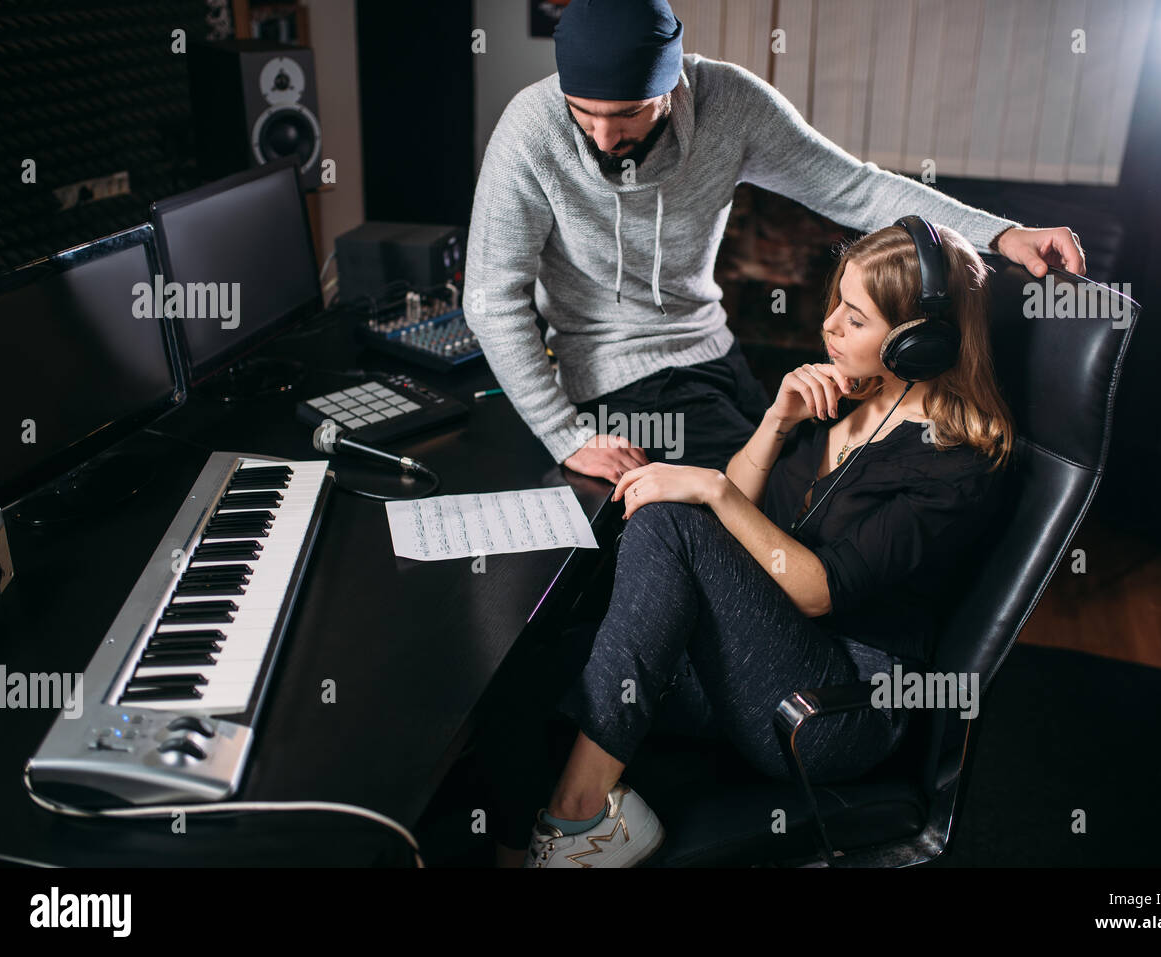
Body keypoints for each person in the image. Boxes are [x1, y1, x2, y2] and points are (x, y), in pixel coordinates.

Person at [520, 220, 1014, 867]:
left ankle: (582, 815)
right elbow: (749, 520)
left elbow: (815, 589)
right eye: (836, 301)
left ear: (919, 342)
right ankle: (528, 844)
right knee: (542, 663)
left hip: (835, 710)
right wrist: (777, 421)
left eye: (855, 317)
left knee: (672, 519)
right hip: (774, 656)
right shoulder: (844, 400)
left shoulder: (955, 464)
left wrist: (709, 489)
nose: (831, 325)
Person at [462, 0, 1083, 482]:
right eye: (583, 112)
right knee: (761, 506)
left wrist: (1001, 235)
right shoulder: (530, 130)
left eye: (628, 113)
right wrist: (564, 434)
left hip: (710, 345)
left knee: (805, 477)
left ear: (672, 83)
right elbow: (492, 298)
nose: (602, 138)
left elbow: (856, 189)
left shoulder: (729, 103)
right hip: (609, 373)